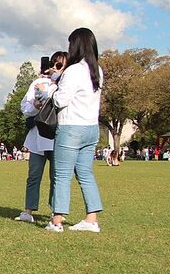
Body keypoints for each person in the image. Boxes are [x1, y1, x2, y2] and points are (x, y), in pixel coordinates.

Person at [44, 27, 104, 233]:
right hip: (91, 128)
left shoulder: (74, 70)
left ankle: (57, 220)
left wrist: (52, 89)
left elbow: (61, 99)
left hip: (71, 128)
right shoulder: (97, 70)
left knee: (61, 175)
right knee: (86, 174)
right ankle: (91, 218)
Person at [16, 51, 66, 223]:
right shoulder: (38, 82)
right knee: (34, 175)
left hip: (58, 134)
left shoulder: (68, 82)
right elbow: (25, 107)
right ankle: (28, 210)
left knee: (57, 176)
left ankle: (56, 211)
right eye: (56, 64)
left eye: (61, 65)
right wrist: (36, 106)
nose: (57, 68)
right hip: (38, 135)